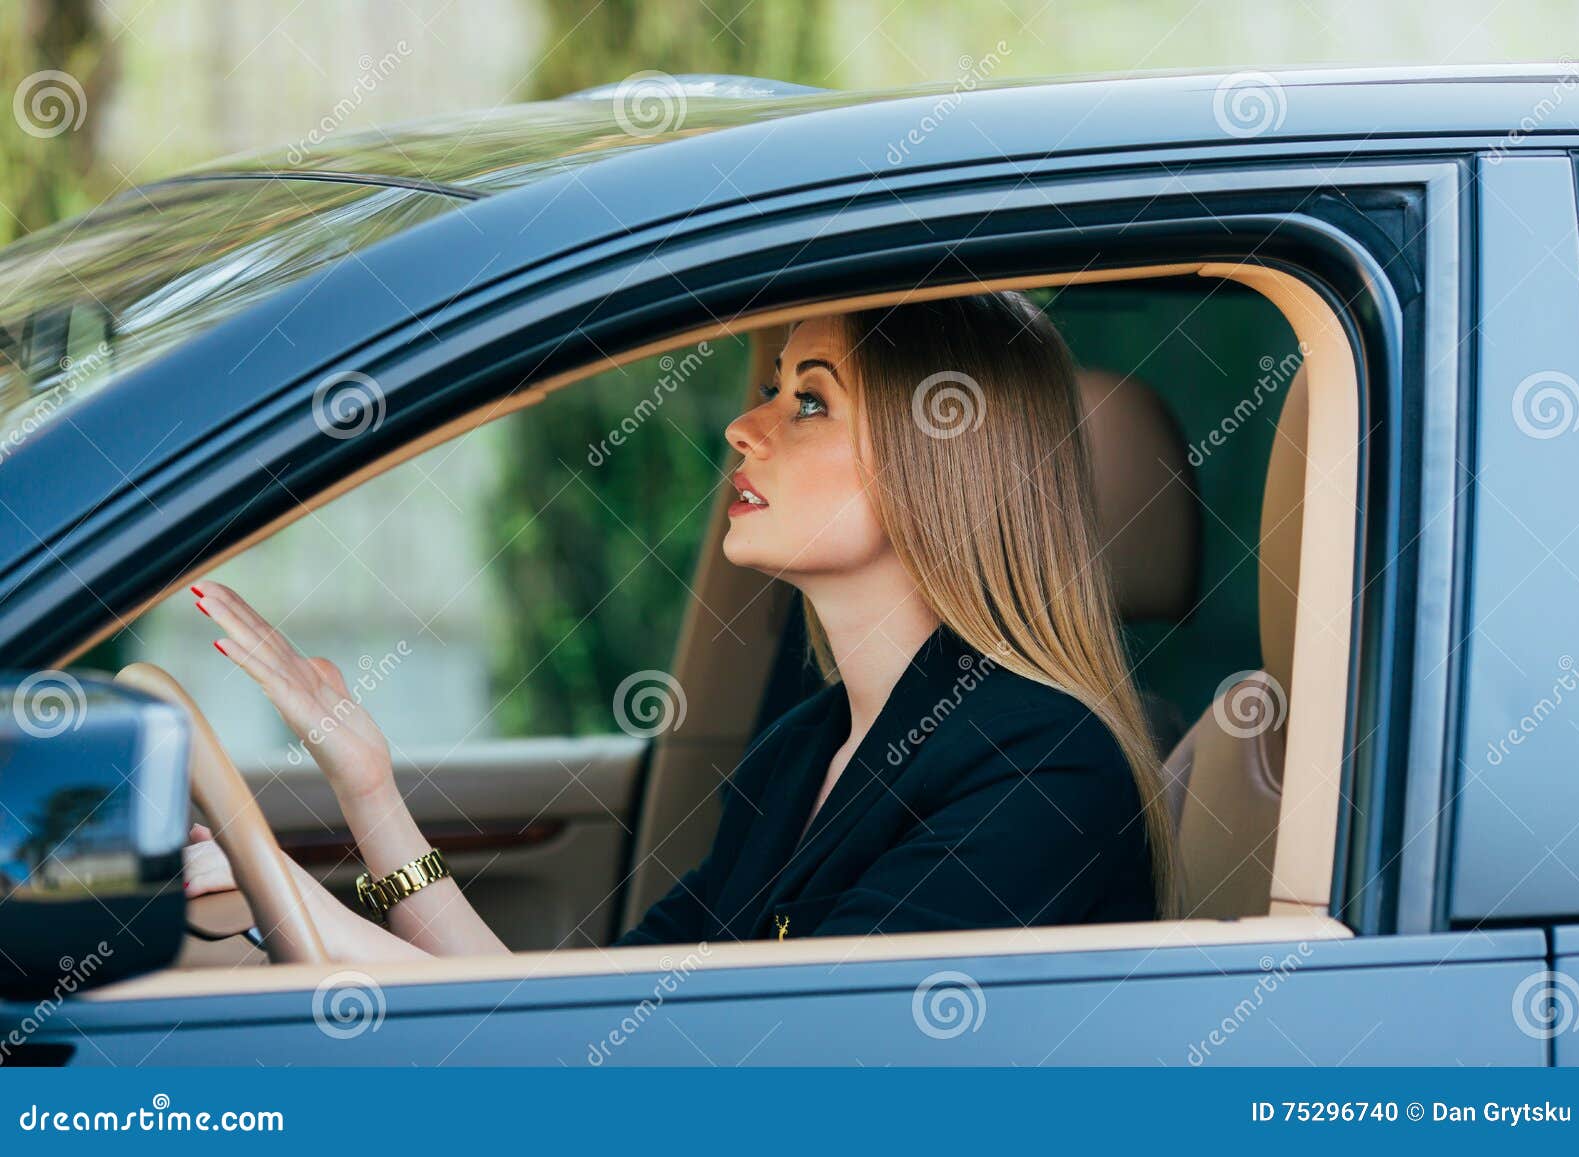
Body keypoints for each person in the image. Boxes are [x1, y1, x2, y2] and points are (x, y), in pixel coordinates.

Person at [183, 290, 1178, 960]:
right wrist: (368, 789)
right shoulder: (804, 750)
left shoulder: (1048, 772)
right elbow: (576, 1023)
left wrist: (277, 890)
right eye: (769, 389)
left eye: (810, 402)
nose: (745, 428)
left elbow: (733, 1088)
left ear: (942, 458)